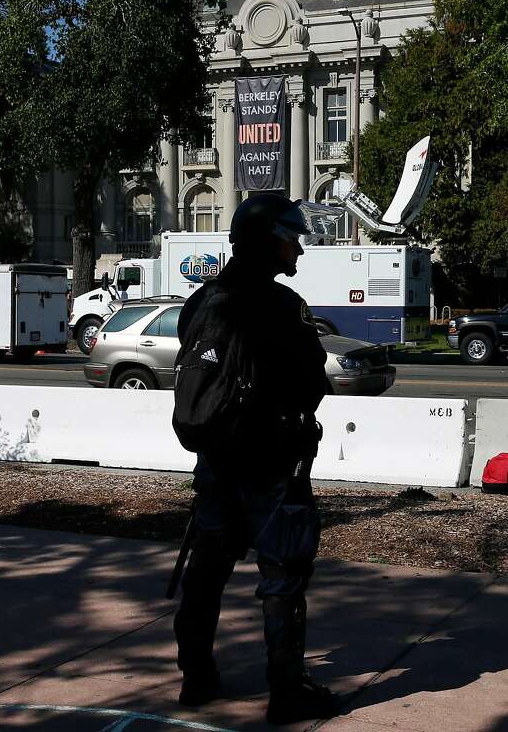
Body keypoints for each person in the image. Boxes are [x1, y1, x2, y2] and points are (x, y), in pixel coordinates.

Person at [171, 193, 339, 724]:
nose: (300, 251)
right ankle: (286, 691)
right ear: (270, 241)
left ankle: (196, 679)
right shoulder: (282, 307)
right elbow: (314, 383)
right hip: (270, 471)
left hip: (216, 466)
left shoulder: (202, 302)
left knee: (206, 575)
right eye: (294, 238)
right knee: (282, 580)